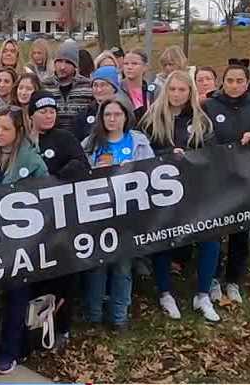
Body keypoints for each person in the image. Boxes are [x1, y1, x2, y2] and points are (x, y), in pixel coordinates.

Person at [0, 105, 48, 376]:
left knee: (17, 295)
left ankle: (9, 352)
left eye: (5, 129)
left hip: (18, 243)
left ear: (19, 132)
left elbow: (45, 200)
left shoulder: (32, 161)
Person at [138, 70, 221, 322]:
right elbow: (142, 152)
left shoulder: (201, 120)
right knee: (163, 238)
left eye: (181, 90)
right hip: (162, 192)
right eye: (172, 89)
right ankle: (165, 291)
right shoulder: (150, 118)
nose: (176, 94)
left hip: (195, 190)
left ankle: (203, 293)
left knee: (211, 237)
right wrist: (166, 154)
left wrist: (190, 158)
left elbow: (212, 154)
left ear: (190, 92)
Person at [202, 59, 250, 303]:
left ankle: (233, 280)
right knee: (214, 232)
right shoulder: (209, 105)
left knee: (240, 232)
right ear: (223, 82)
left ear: (247, 83)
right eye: (230, 81)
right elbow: (199, 136)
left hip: (244, 180)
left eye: (239, 81)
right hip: (215, 179)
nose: (234, 85)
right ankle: (212, 278)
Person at [80, 98, 154, 330]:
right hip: (98, 214)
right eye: (107, 115)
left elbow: (152, 172)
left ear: (126, 116)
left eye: (117, 114)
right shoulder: (91, 143)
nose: (112, 119)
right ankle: (93, 315)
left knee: (123, 267)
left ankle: (119, 316)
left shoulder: (138, 142)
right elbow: (79, 173)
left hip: (128, 215)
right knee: (97, 266)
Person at [25, 91, 87, 347]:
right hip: (29, 223)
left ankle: (61, 328)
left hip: (60, 222)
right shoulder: (25, 140)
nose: (49, 115)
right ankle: (35, 331)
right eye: (43, 111)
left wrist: (58, 178)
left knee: (62, 278)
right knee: (34, 279)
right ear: (32, 115)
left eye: (52, 111)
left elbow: (82, 165)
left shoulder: (65, 138)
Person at [50, 40, 94, 133]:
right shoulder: (45, 85)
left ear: (75, 65)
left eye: (68, 62)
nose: (62, 67)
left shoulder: (88, 86)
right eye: (59, 61)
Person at [75, 65, 127, 141]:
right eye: (95, 85)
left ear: (114, 88)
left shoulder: (124, 111)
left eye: (103, 85)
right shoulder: (84, 114)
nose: (99, 90)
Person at [121, 49, 158, 119]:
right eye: (126, 64)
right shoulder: (116, 90)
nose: (129, 67)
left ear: (145, 67)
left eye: (134, 64)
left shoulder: (155, 90)